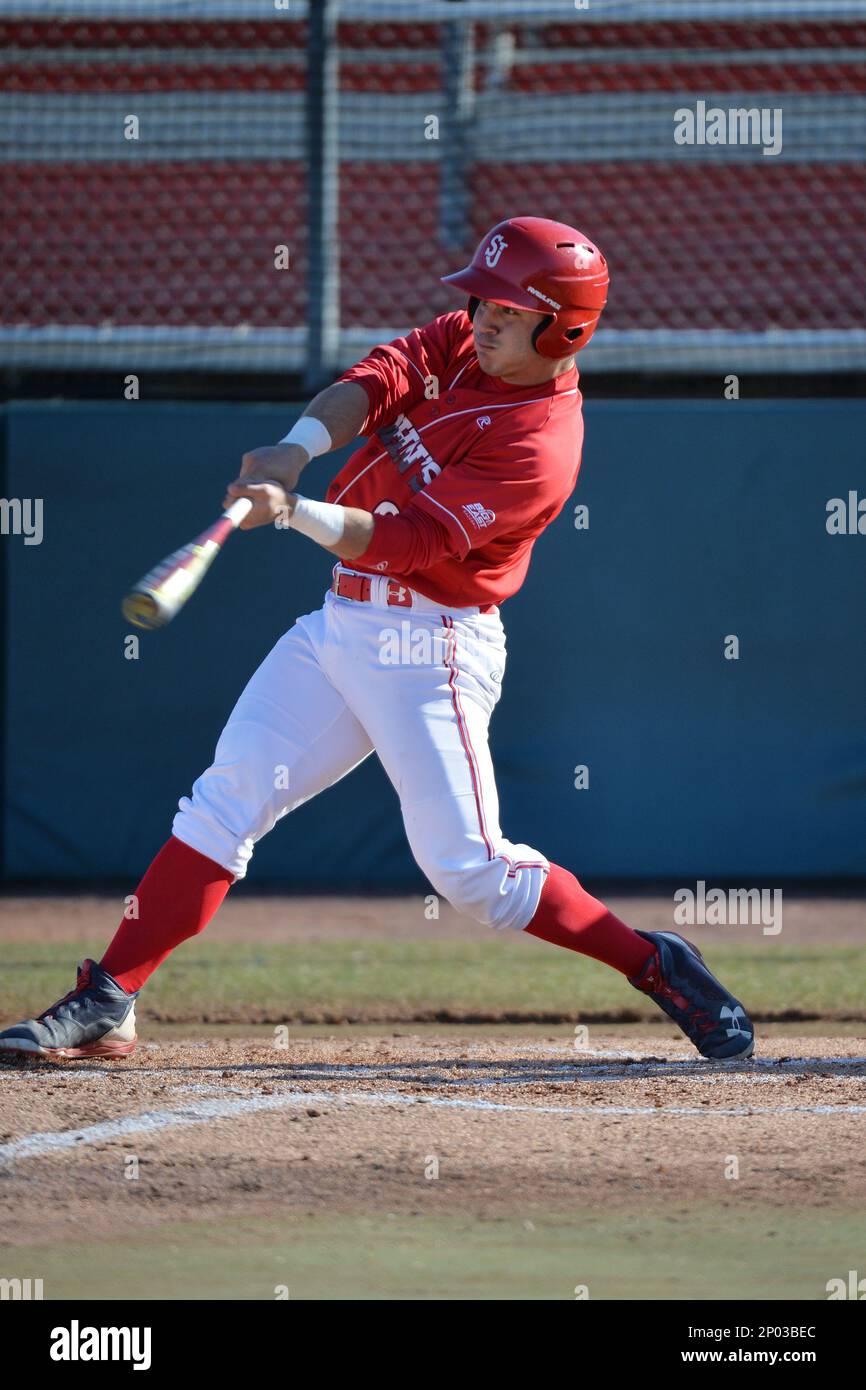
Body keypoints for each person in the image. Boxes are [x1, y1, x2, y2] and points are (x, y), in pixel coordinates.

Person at [0, 216, 754, 1063]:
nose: (483, 318)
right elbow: (381, 376)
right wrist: (294, 451)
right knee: (226, 798)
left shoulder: (542, 444)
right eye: (482, 301)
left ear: (564, 326)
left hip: (431, 646)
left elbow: (412, 541)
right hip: (343, 623)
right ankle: (111, 995)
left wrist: (294, 511)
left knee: (470, 873)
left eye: (508, 308)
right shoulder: (468, 343)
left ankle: (654, 962)